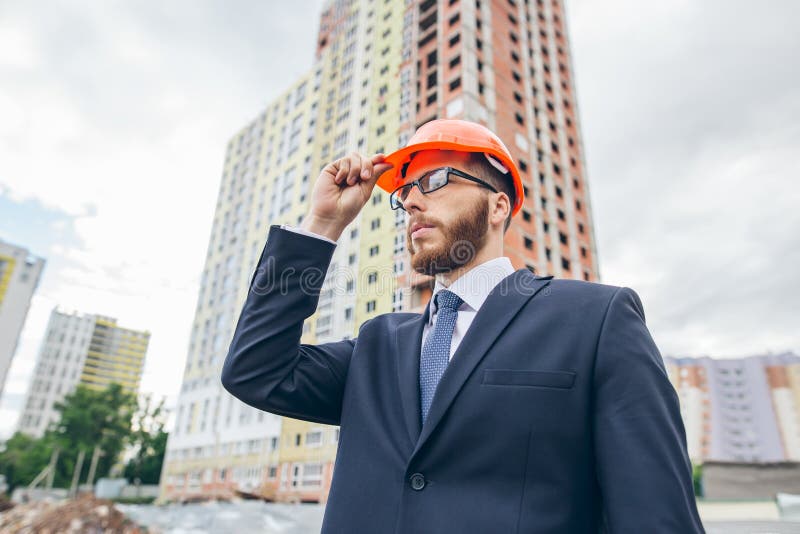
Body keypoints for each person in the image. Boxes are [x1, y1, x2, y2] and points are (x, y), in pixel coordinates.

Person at [221, 119, 704, 533]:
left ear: (498, 207)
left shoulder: (596, 320)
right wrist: (321, 225)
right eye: (405, 194)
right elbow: (255, 370)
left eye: (434, 182)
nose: (410, 203)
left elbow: (656, 516)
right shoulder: (377, 345)